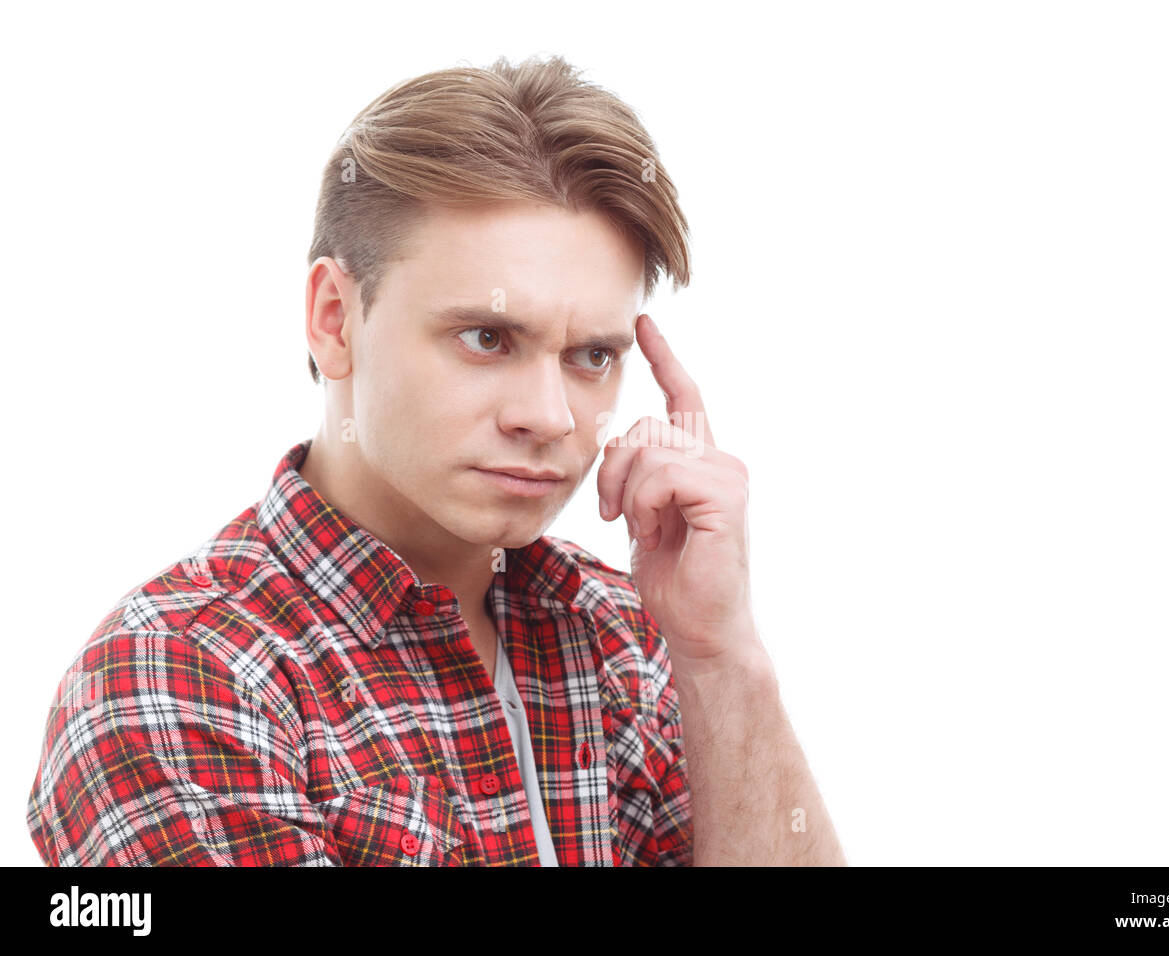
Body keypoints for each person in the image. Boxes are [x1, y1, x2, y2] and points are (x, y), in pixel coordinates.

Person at [26, 54, 846, 866]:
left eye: (593, 355)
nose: (551, 417)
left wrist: (720, 659)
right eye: (488, 338)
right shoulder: (177, 678)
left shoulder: (627, 636)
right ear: (334, 320)